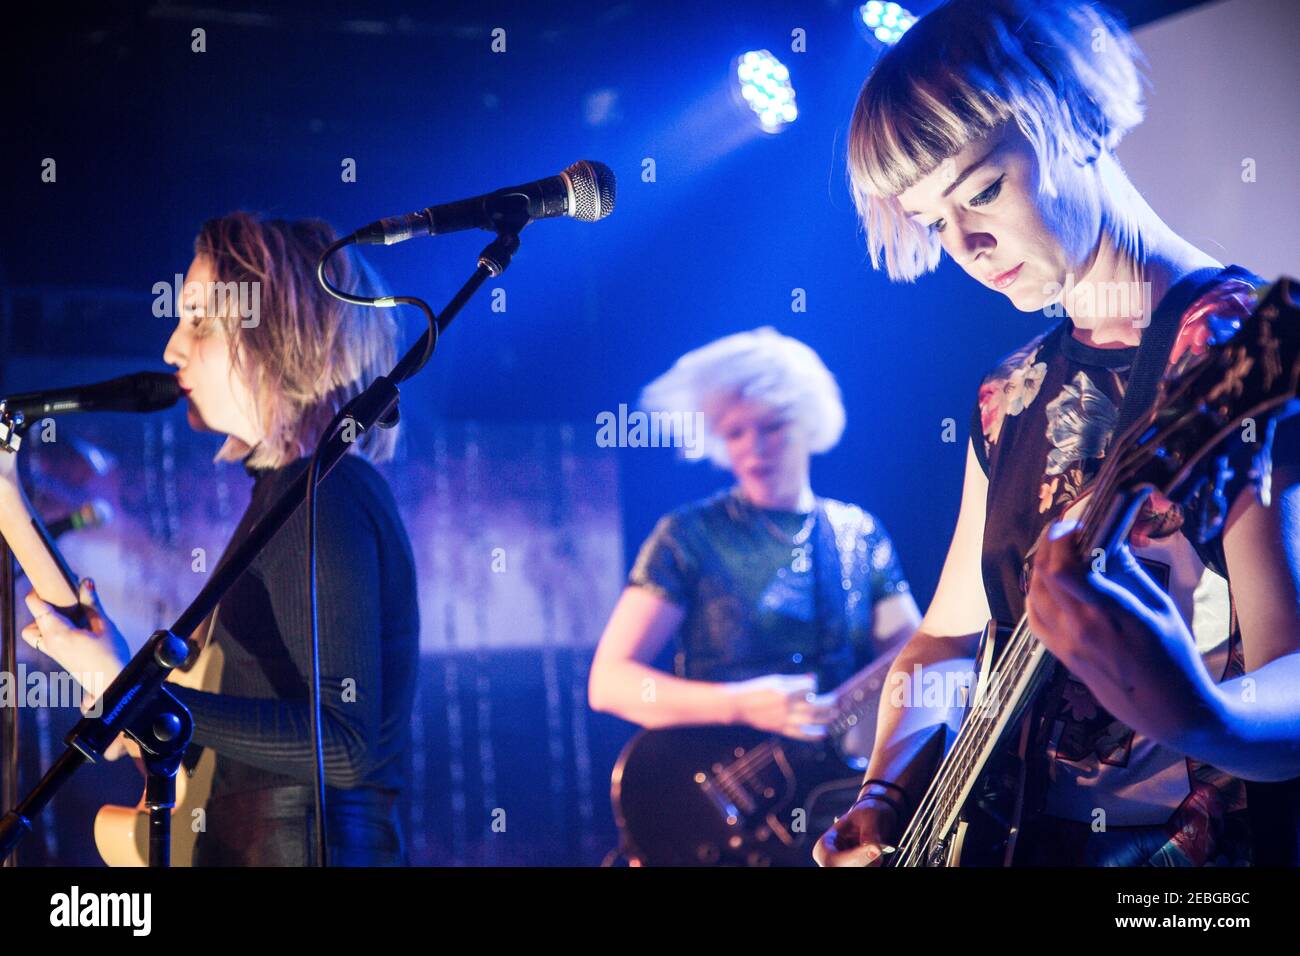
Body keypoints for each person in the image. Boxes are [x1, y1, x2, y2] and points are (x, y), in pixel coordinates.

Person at [815, 0, 1300, 867]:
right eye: (933, 222)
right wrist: (883, 791)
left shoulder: (1234, 353)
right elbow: (945, 639)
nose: (966, 244)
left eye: (982, 190)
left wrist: (1202, 719)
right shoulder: (1009, 393)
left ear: (1073, 118)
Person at [1, 211, 420, 866]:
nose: (171, 348)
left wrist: (136, 692)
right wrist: (7, 494)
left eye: (198, 321)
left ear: (277, 333)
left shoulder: (326, 493)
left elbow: (344, 744)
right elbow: (215, 724)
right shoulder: (278, 497)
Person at [589, 327, 920, 754]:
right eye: (735, 433)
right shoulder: (689, 534)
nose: (754, 448)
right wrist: (740, 705)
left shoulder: (859, 532)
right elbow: (609, 682)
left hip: (842, 779)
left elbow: (915, 657)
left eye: (772, 426)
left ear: (809, 423)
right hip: (719, 778)